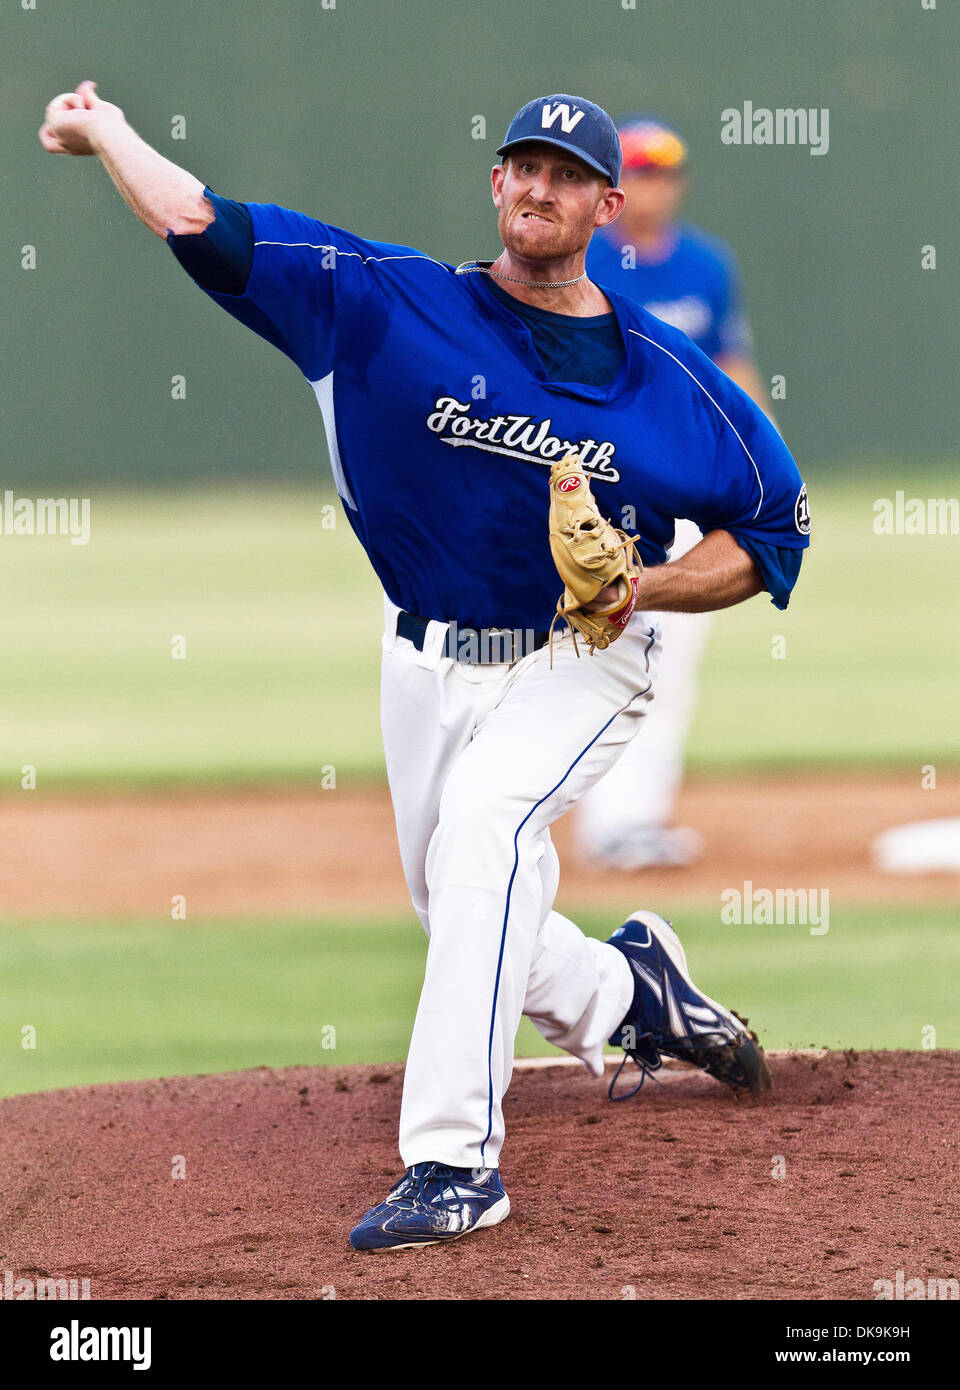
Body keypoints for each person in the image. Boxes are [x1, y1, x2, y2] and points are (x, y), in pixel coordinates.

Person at [40, 83, 810, 1251]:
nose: (542, 187)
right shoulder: (382, 303)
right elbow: (204, 220)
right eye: (524, 166)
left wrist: (639, 586)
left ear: (607, 203)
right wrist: (106, 131)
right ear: (497, 183)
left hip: (586, 657)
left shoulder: (671, 380)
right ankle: (631, 993)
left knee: (492, 831)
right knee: (454, 898)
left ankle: (455, 1160)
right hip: (422, 658)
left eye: (568, 173)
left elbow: (771, 531)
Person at [580, 115, 777, 870]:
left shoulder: (706, 263)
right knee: (575, 653)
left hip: (695, 488)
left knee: (668, 653)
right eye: (638, 172)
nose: (651, 186)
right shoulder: (584, 258)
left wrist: (763, 465)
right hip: (603, 490)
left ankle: (631, 819)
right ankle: (577, 816)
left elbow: (734, 367)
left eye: (664, 171)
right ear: (612, 188)